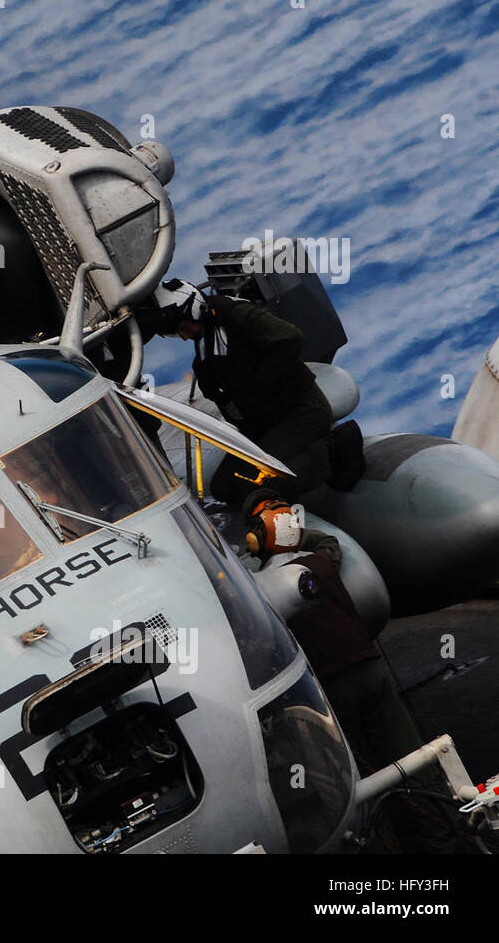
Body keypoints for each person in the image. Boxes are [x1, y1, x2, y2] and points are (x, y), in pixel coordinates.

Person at [245, 490, 461, 853]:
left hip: (330, 694)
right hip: (370, 673)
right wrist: (298, 536)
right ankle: (445, 837)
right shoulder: (324, 562)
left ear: (257, 537)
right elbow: (328, 540)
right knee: (414, 758)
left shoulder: (259, 591)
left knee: (351, 780)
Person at [154, 280, 332, 503]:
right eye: (176, 333)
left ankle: (334, 453)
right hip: (265, 424)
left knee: (249, 484)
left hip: (301, 413)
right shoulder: (205, 342)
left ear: (193, 307)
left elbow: (290, 338)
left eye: (182, 327)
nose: (184, 337)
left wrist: (260, 384)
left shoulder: (236, 315)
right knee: (222, 488)